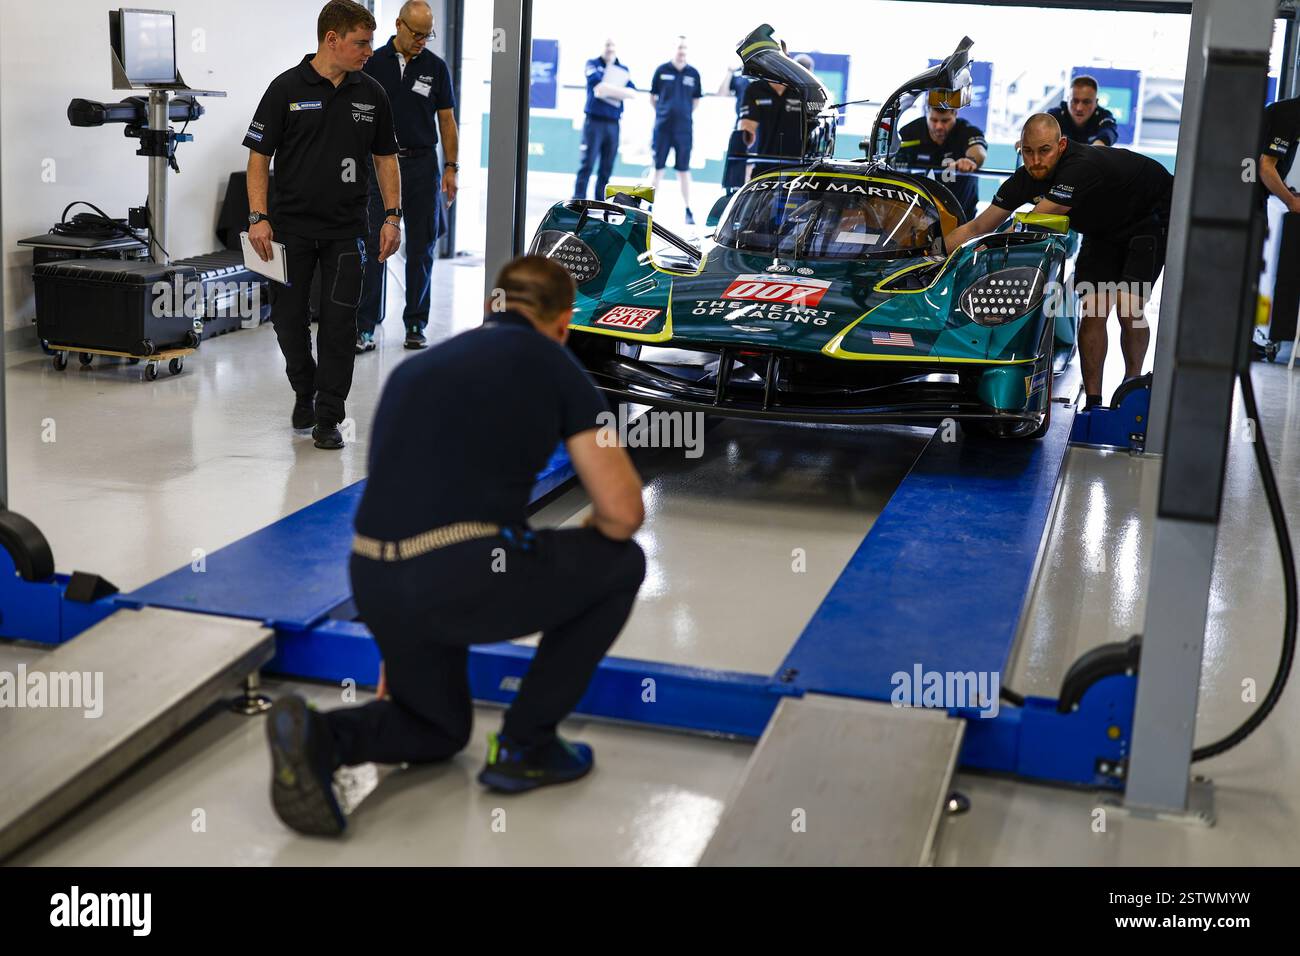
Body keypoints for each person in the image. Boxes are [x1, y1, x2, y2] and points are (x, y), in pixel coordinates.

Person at [264, 255, 648, 835]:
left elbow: (397, 499)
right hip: (461, 572)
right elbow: (623, 512)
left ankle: (326, 737)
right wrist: (578, 543)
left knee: (437, 729)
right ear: (564, 322)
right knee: (622, 562)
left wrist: (400, 636)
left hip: (374, 578)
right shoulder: (557, 365)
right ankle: (527, 745)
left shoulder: (418, 369)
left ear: (489, 307)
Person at [244, 0, 400, 450]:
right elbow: (259, 158)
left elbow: (386, 158)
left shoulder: (372, 94)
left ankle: (329, 416)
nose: (369, 51)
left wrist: (392, 215)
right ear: (332, 40)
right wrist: (259, 216)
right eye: (361, 42)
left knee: (339, 325)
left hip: (347, 231)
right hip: (288, 232)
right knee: (288, 321)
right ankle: (304, 389)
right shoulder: (285, 88)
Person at [944, 114, 1173, 409]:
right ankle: (1093, 402)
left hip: (1148, 219)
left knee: (1129, 309)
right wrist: (931, 252)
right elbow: (977, 227)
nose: (1036, 160)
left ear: (1061, 145)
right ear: (1020, 149)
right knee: (1094, 309)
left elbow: (1034, 219)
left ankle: (1131, 396)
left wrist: (1000, 237)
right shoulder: (1025, 177)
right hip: (1102, 229)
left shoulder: (1081, 166)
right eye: (1028, 152)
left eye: (1044, 151)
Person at [356, 0, 459, 353]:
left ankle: (416, 321)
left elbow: (446, 121)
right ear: (398, 24)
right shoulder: (372, 63)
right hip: (378, 167)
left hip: (421, 166)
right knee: (375, 244)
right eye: (416, 33)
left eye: (427, 34)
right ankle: (366, 325)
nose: (422, 41)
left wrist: (451, 168)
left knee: (421, 246)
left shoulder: (436, 67)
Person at [895, 103, 987, 220]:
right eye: (934, 120)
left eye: (945, 121)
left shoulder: (967, 131)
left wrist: (970, 161)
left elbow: (979, 151)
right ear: (927, 113)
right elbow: (892, 159)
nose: (939, 126)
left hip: (961, 214)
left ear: (955, 114)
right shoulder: (909, 132)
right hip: (917, 214)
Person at [573, 39, 636, 202]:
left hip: (613, 124)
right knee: (587, 164)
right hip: (594, 123)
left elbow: (632, 93)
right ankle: (578, 200)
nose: (610, 48)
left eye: (613, 45)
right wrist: (617, 91)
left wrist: (608, 90)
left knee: (606, 167)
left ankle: (600, 201)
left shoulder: (623, 69)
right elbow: (598, 89)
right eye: (607, 45)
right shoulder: (592, 64)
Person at [649, 37, 703, 224]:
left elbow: (695, 101)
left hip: (684, 130)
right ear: (673, 48)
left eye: (685, 48)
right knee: (658, 169)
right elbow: (653, 98)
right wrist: (664, 113)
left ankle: (688, 210)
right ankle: (648, 208)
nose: (682, 51)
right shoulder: (661, 71)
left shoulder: (694, 74)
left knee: (683, 170)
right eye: (679, 47)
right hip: (662, 128)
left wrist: (682, 113)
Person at [738, 72, 806, 179]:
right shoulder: (755, 89)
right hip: (763, 163)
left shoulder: (802, 89)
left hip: (798, 167)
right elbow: (747, 128)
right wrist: (743, 160)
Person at [1047, 75, 1119, 147]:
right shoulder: (1054, 116)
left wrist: (1099, 145)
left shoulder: (1103, 116)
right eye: (1075, 101)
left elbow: (1109, 132)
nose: (1079, 108)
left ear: (1096, 102)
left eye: (1086, 102)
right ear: (1068, 100)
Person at [1259, 93, 1300, 214]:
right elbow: (1265, 167)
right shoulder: (1289, 116)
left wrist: (1287, 191)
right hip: (1247, 199)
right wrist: (1291, 201)